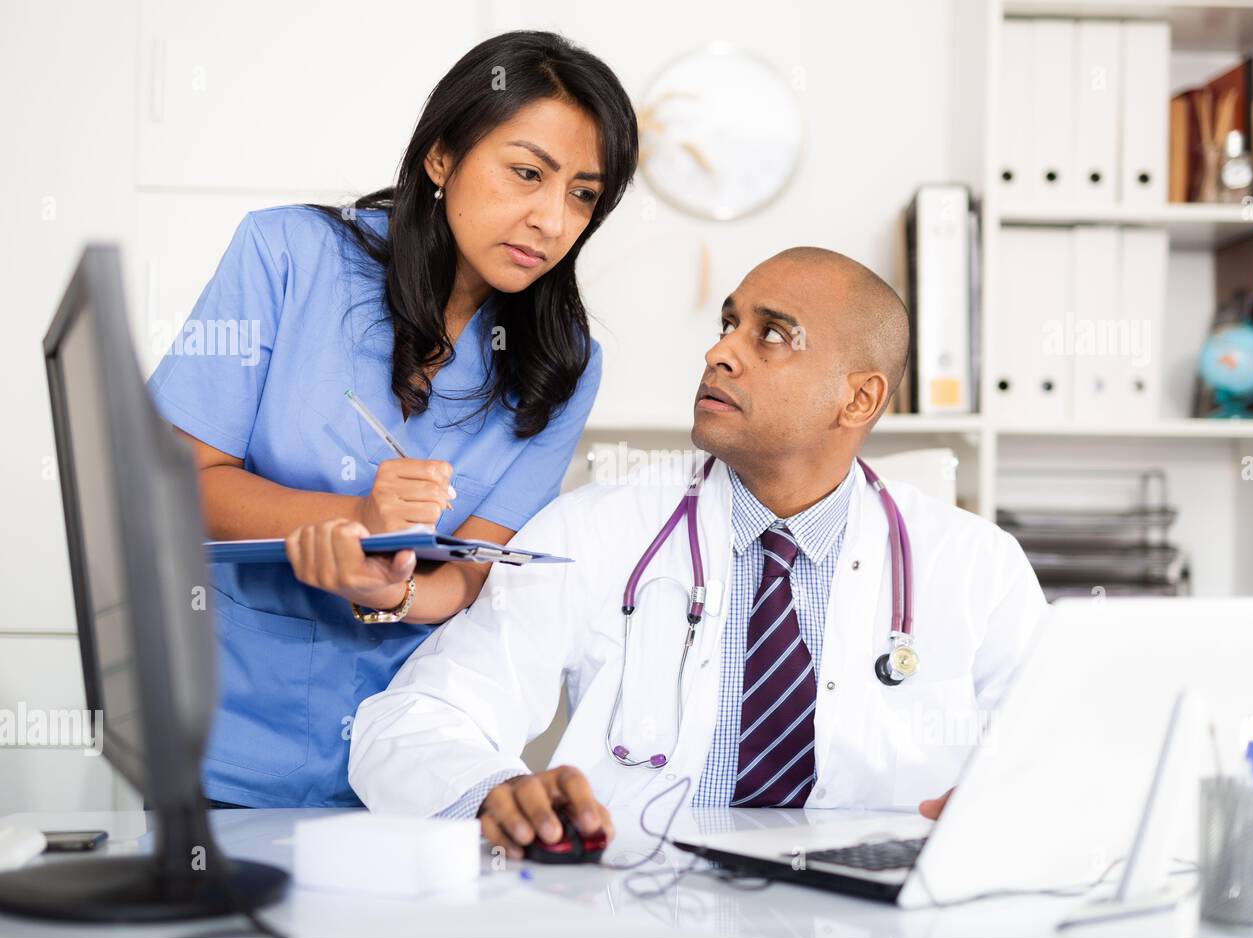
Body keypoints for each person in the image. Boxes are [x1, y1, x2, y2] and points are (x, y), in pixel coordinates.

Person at [339, 247, 1048, 853]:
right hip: (636, 905)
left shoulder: (977, 569)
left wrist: (1009, 817)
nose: (720, 352)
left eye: (772, 335)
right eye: (729, 323)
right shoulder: (591, 531)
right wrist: (496, 793)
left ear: (858, 399)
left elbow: (1066, 758)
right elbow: (413, 722)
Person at [146, 31, 638, 807]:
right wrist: (352, 517)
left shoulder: (564, 362)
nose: (551, 219)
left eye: (582, 193)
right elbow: (175, 482)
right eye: (526, 173)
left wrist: (393, 594)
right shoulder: (286, 255)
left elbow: (474, 574)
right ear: (441, 157)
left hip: (404, 763)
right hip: (221, 744)